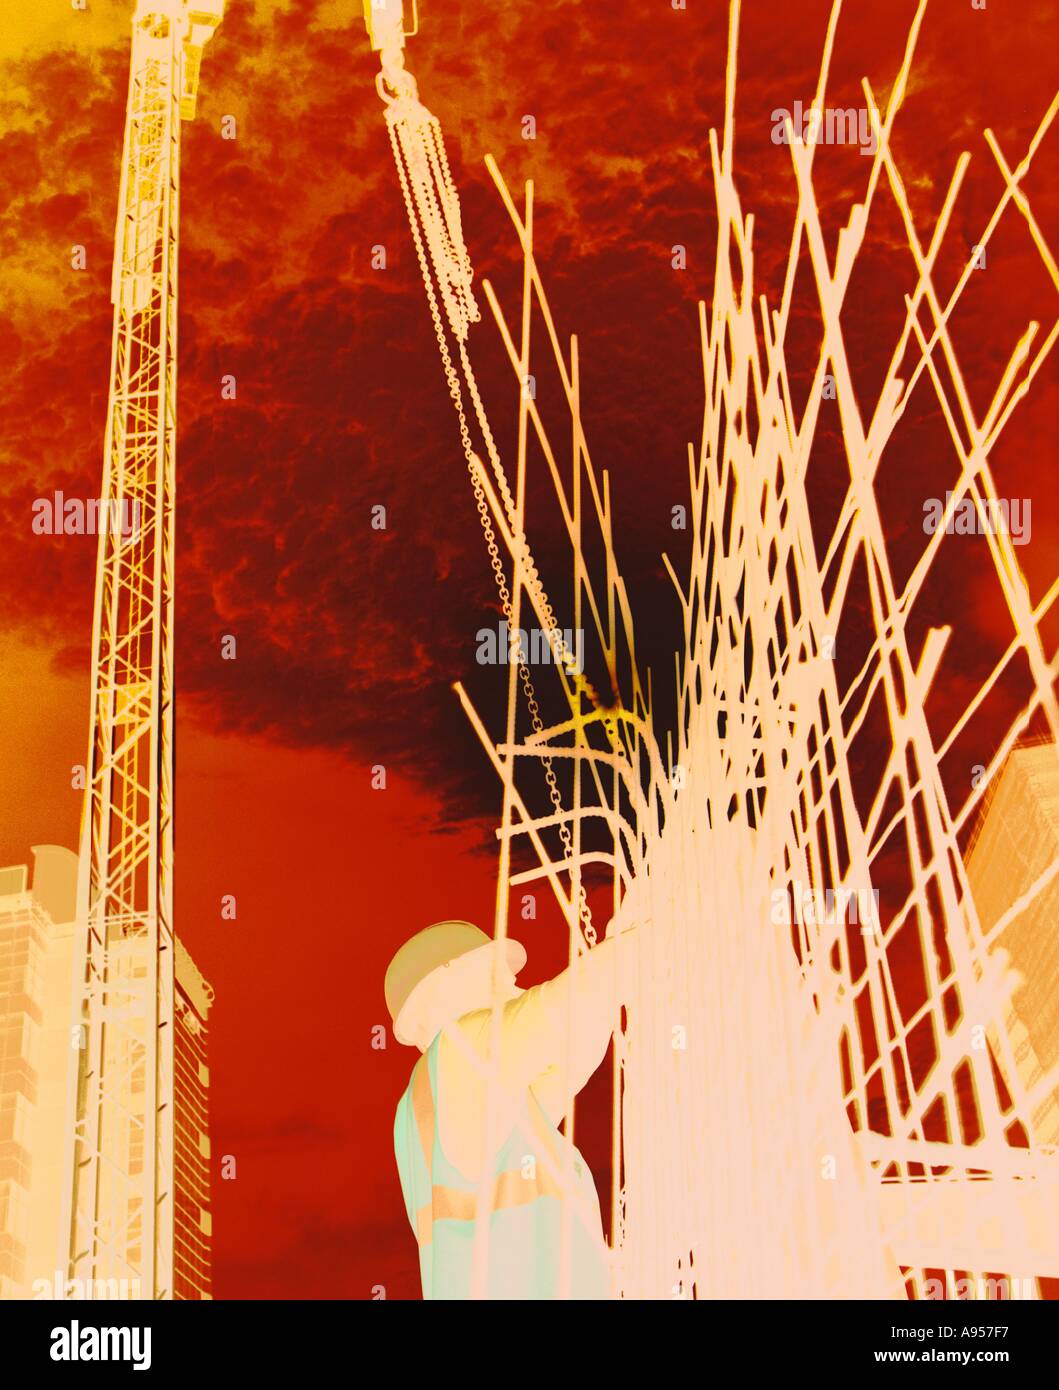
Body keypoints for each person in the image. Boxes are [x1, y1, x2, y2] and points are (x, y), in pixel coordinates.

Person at [384, 918, 634, 1299]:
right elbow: (555, 1011)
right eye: (494, 974)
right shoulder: (460, 1052)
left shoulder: (440, 1095)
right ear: (442, 986)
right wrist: (646, 936)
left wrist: (618, 954)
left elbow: (569, 1051)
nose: (514, 983)